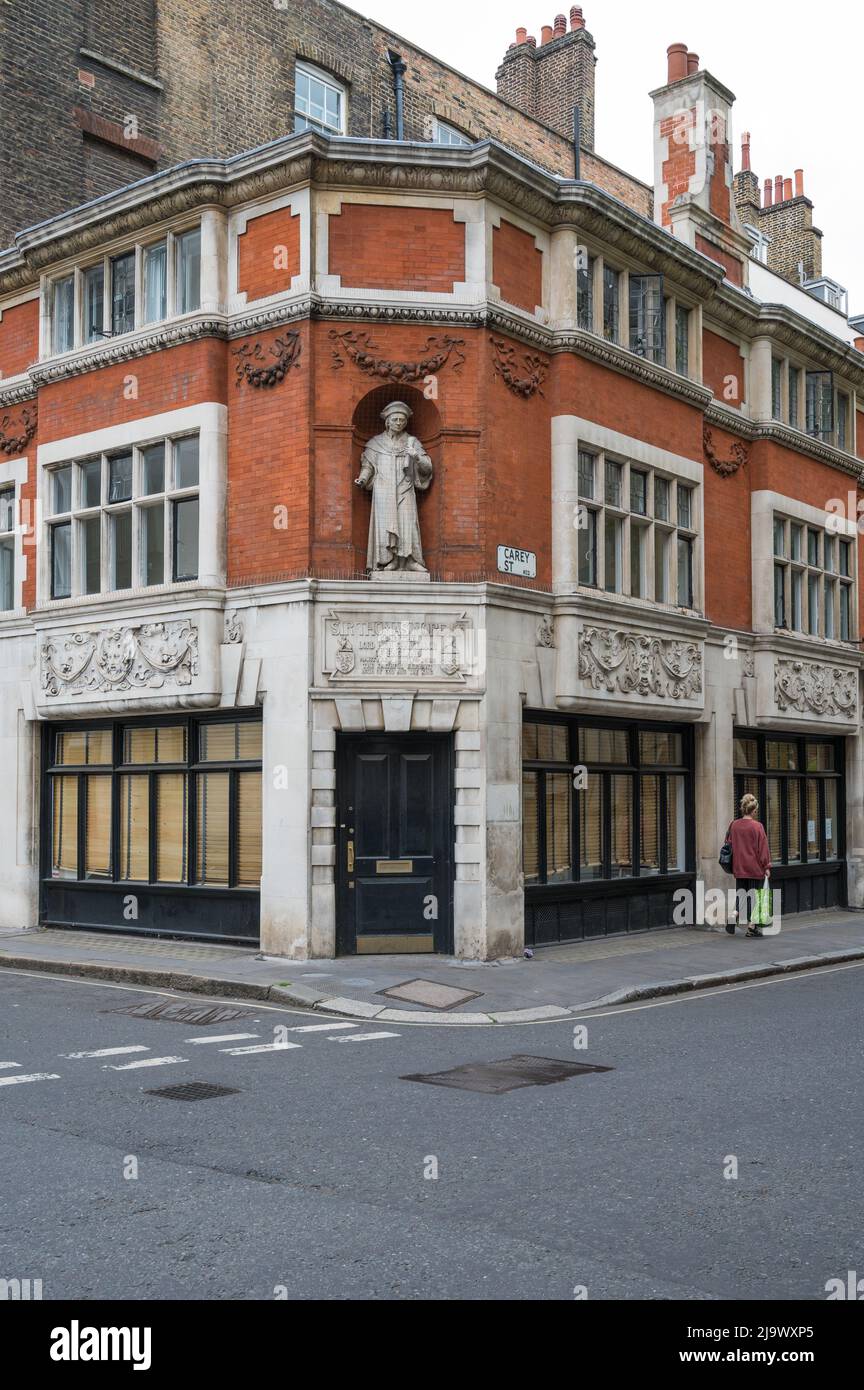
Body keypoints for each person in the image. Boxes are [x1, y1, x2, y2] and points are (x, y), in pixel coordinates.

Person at [355, 401, 433, 572]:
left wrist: (416, 457)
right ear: (387, 421)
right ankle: (390, 560)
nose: (399, 423)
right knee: (385, 525)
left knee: (408, 522)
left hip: (405, 487)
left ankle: (411, 560)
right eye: (395, 419)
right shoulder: (376, 443)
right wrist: (362, 478)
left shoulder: (412, 443)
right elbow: (368, 466)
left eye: (402, 420)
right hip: (383, 490)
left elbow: (428, 468)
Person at [727, 794, 772, 938]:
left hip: (739, 868)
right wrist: (766, 866)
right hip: (755, 868)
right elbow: (763, 849)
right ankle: (751, 928)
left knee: (741, 895)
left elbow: (728, 843)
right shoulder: (757, 826)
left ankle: (733, 916)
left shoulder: (734, 825)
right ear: (753, 811)